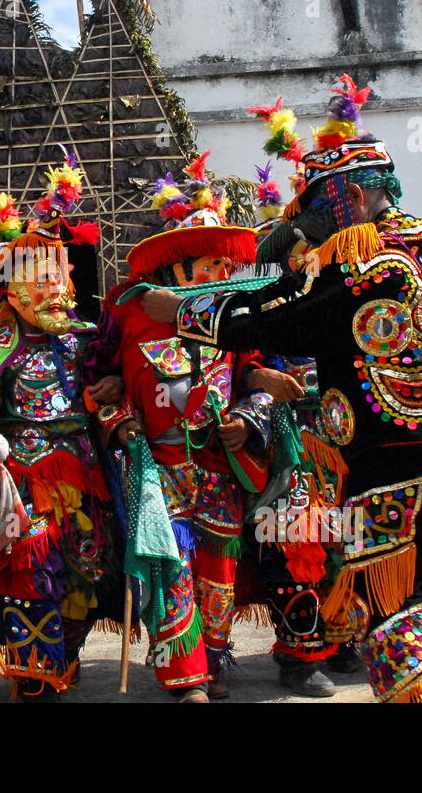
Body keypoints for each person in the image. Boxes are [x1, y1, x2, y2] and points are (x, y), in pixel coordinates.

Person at [142, 77, 422, 702]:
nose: (306, 234)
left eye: (314, 215)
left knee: (391, 607)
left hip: (390, 460)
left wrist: (183, 310)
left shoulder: (359, 258)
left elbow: (282, 319)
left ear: (354, 197)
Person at [84, 153, 336, 700]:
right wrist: (119, 420)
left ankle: (214, 661)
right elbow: (100, 378)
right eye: (209, 265)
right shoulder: (129, 311)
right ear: (175, 267)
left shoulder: (232, 317)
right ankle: (185, 676)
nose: (220, 276)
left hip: (219, 465)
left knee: (219, 572)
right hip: (158, 465)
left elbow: (245, 374)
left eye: (226, 267)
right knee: (170, 567)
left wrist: (251, 411)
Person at [0, 153, 119, 701]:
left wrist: (115, 397)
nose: (54, 290)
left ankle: (64, 659)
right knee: (31, 573)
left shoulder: (87, 337)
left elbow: (116, 391)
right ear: (16, 291)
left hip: (86, 474)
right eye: (42, 281)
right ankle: (34, 677)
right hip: (23, 477)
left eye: (59, 278)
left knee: (86, 571)